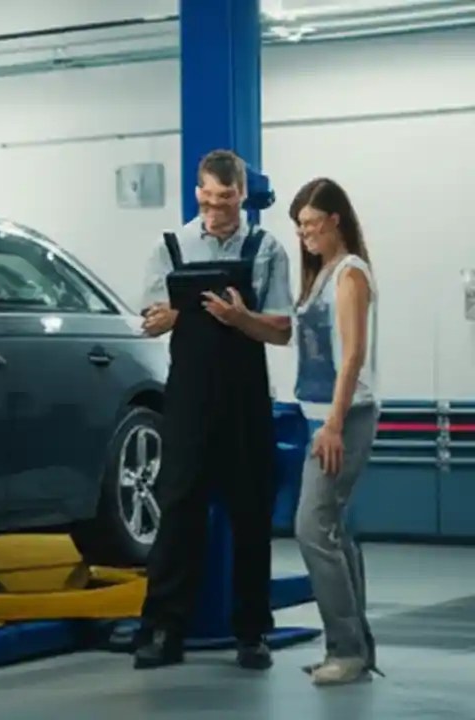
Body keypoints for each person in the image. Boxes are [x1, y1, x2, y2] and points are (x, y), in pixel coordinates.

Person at [133, 149, 295, 671]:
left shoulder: (266, 248)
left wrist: (239, 316)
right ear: (197, 191)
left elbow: (282, 329)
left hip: (246, 400)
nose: (215, 205)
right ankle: (162, 629)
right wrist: (162, 321)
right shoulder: (170, 247)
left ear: (242, 195)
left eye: (226, 196)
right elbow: (152, 316)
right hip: (188, 399)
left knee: (250, 514)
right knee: (178, 510)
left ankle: (252, 633)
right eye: (207, 194)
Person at [287, 178, 381, 685]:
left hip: (343, 418)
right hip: (317, 417)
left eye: (311, 224)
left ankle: (347, 650)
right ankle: (354, 647)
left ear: (335, 221)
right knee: (334, 531)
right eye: (299, 226)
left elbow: (352, 356)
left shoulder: (349, 274)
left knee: (311, 526)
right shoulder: (320, 274)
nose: (304, 234)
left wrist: (334, 423)